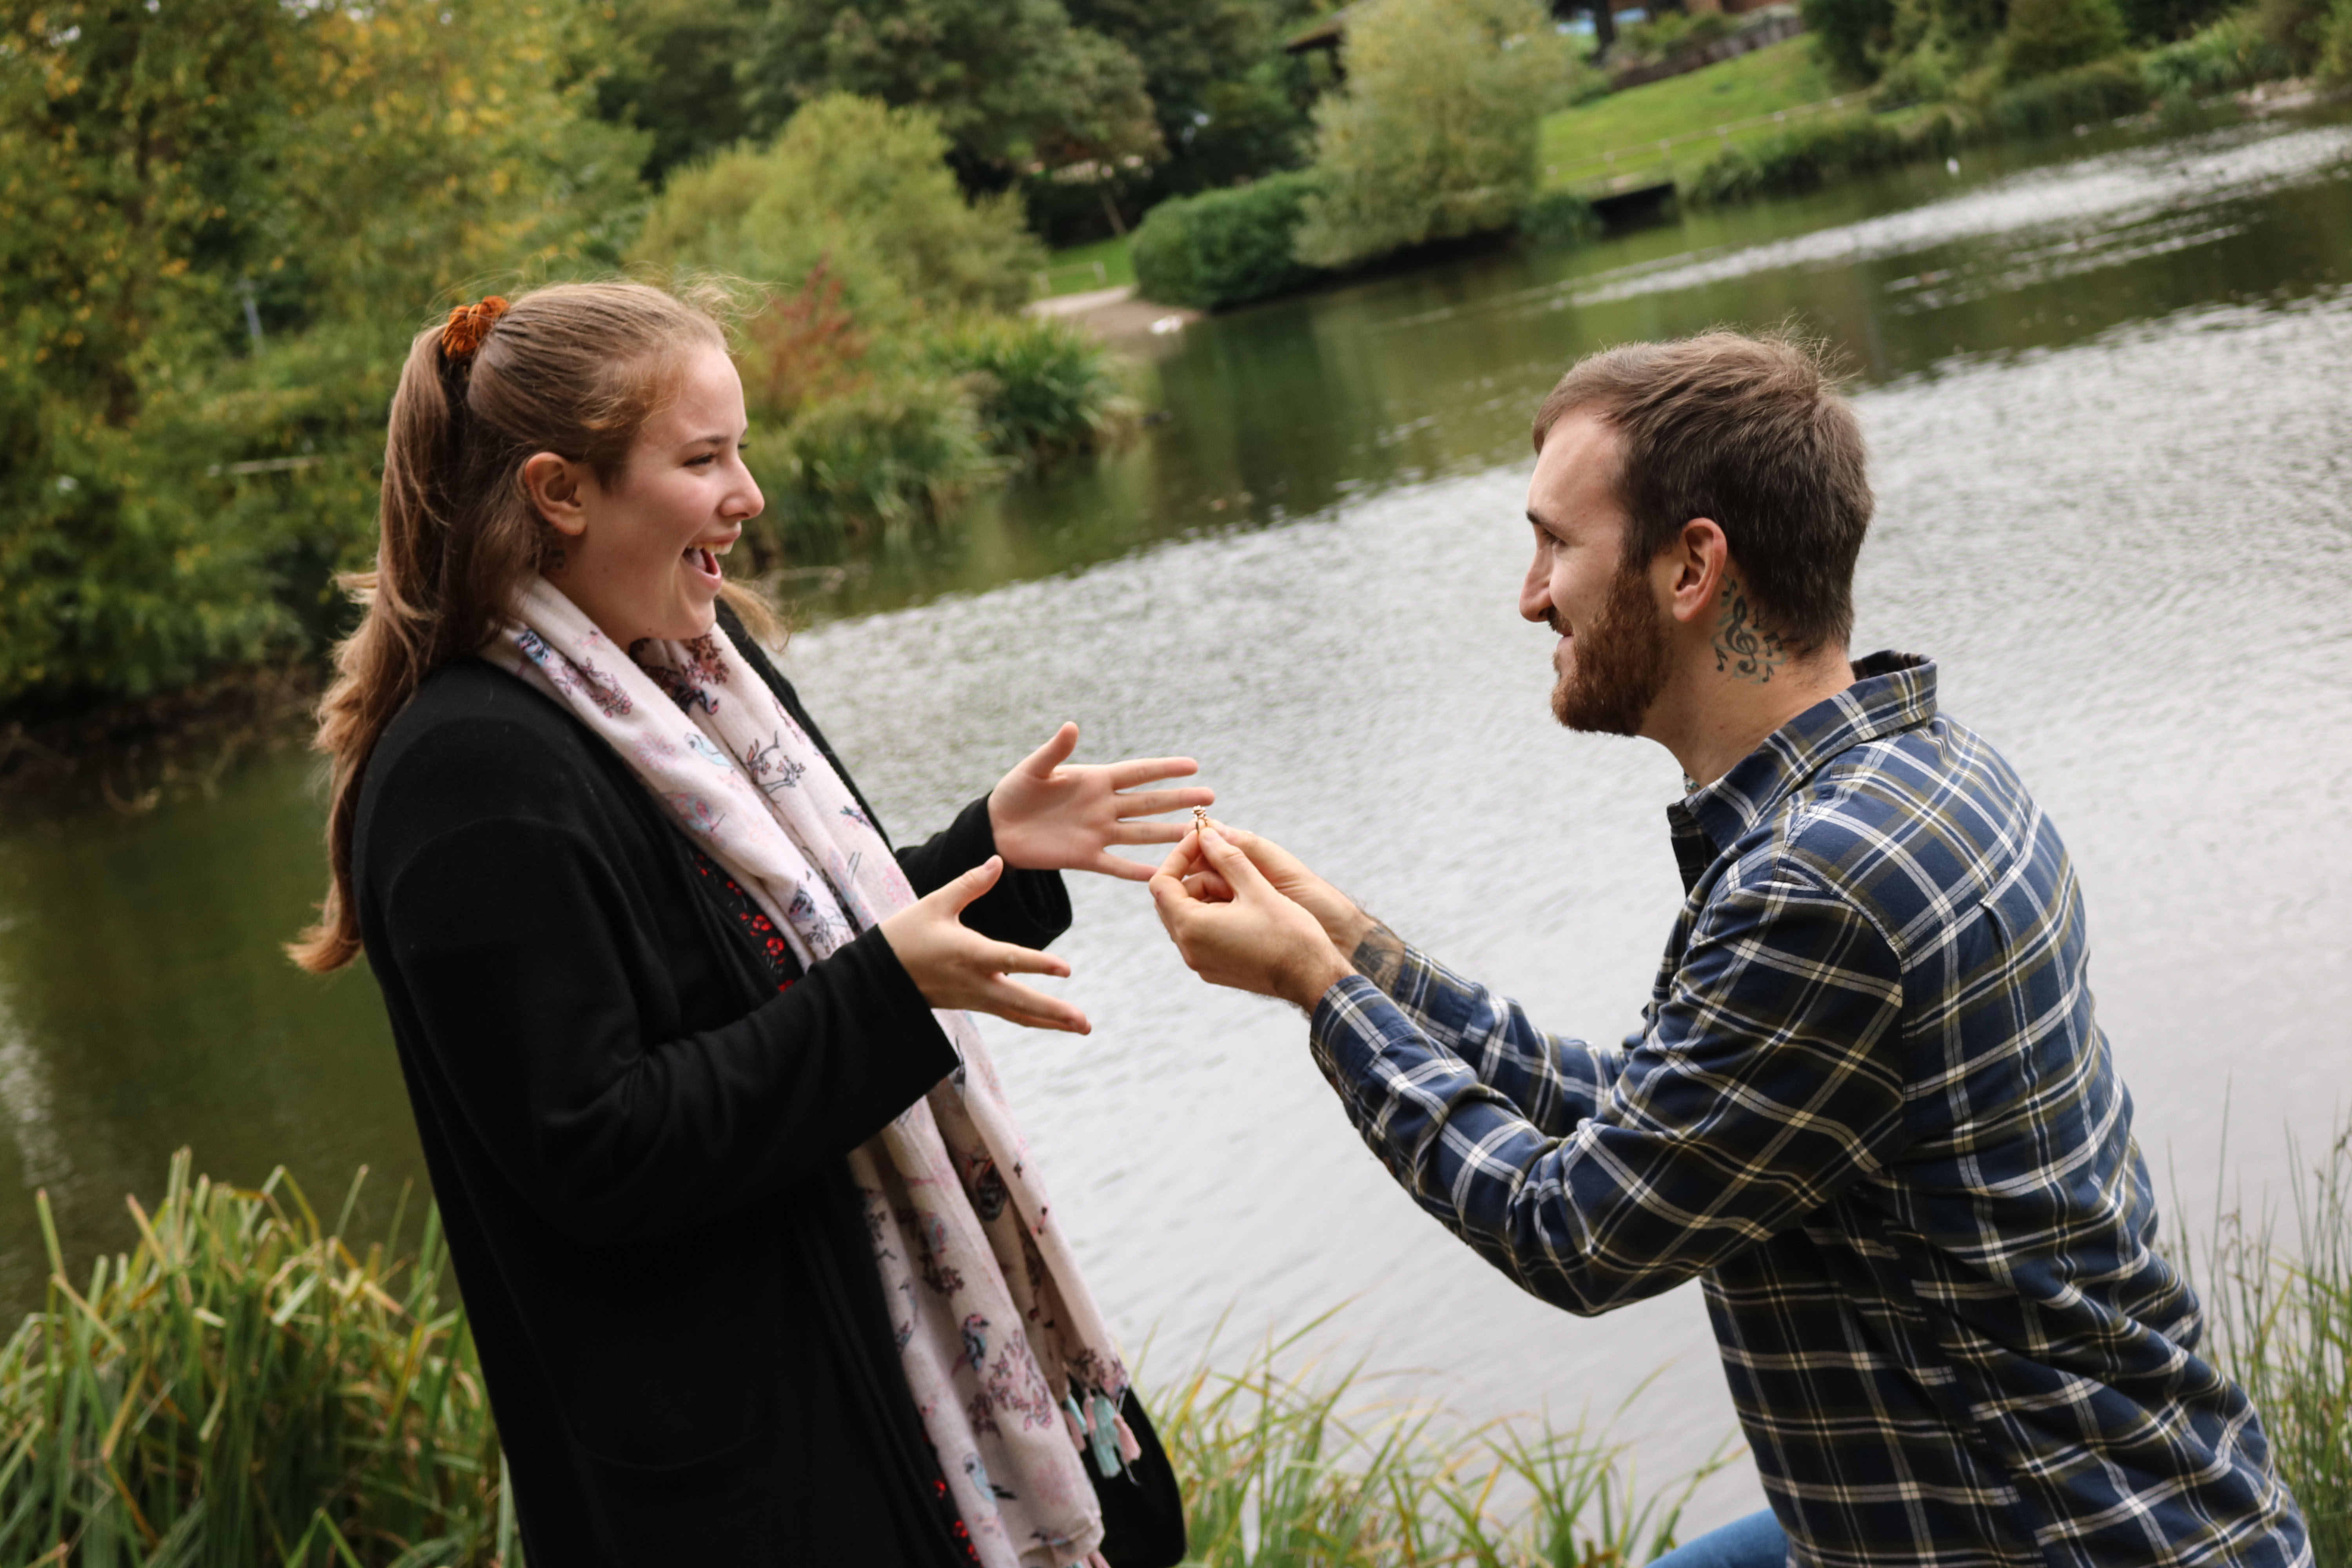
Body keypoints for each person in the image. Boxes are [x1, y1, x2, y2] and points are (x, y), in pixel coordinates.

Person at [1149, 332, 2311, 1568]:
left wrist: (1318, 995)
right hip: (2081, 1500)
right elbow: (1668, 1123)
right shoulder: (1919, 774)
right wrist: (1366, 955)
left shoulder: (1816, 889)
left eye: (1557, 542)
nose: (1532, 594)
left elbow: (1577, 1227)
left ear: (1694, 565)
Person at [292, 281, 1188, 1567]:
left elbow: (780, 964)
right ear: (561, 492)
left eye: (741, 448)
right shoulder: (467, 777)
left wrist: (988, 852)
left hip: (879, 1412)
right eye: (704, 458)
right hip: (762, 1490)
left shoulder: (693, 679)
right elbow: (601, 1152)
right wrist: (891, 991)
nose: (749, 493)